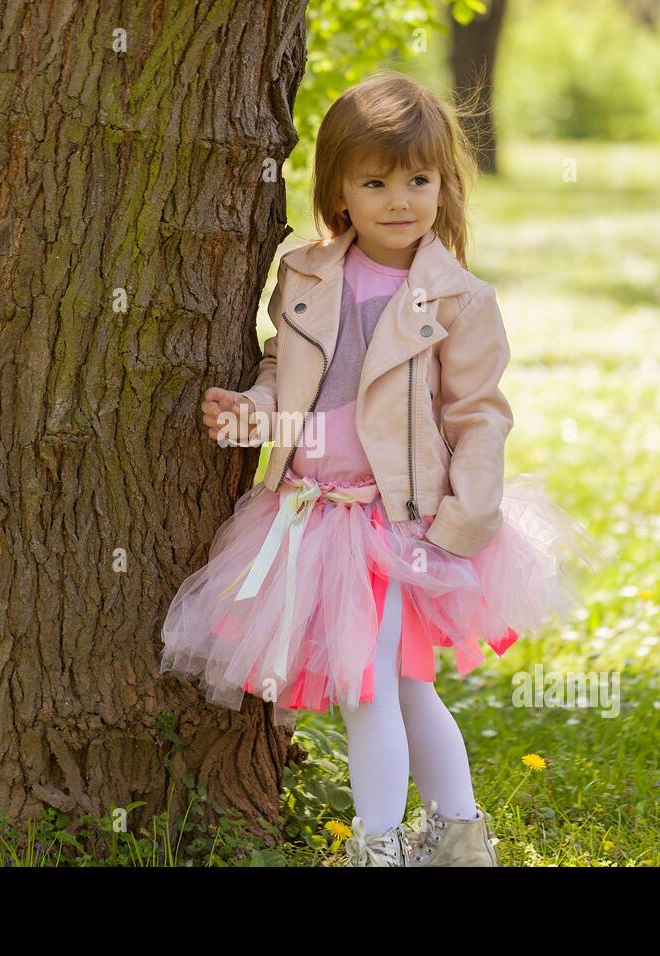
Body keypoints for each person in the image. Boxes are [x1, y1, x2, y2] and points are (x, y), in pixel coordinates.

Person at [159, 72, 603, 867]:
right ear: (339, 189)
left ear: (443, 184)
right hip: (312, 511)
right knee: (398, 687)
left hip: (399, 520)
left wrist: (464, 519)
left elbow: (479, 414)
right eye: (375, 182)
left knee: (374, 688)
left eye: (418, 181)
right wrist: (253, 413)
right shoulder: (308, 275)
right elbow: (288, 374)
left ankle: (379, 846)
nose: (399, 200)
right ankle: (458, 835)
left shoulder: (458, 299)